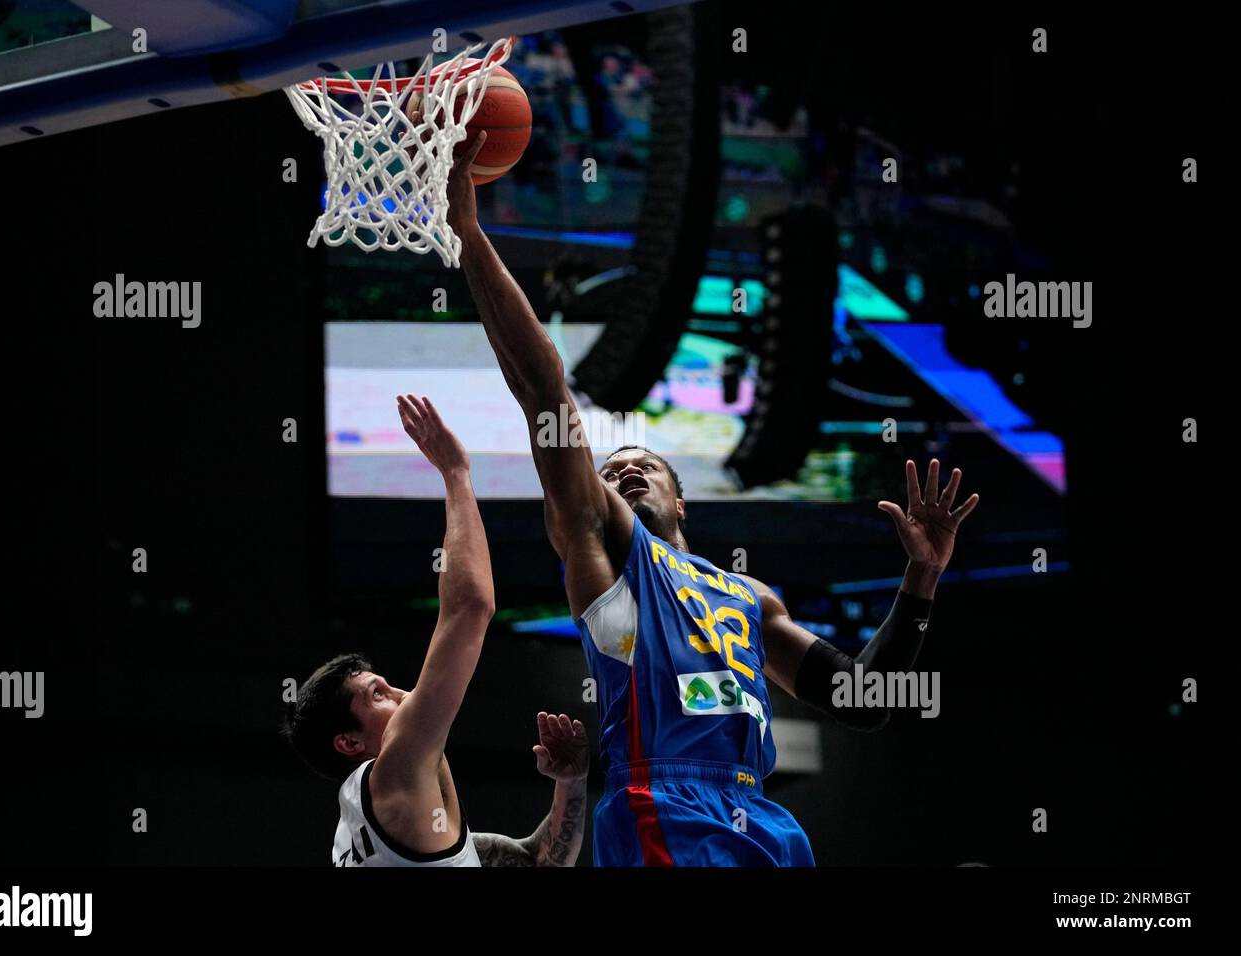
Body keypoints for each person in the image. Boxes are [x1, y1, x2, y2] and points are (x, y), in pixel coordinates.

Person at [446, 135, 980, 866]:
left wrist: (920, 581)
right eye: (612, 470)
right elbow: (544, 390)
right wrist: (471, 236)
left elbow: (867, 703)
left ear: (683, 499)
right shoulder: (613, 566)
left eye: (645, 464)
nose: (626, 473)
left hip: (764, 818)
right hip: (661, 802)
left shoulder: (753, 600)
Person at [283, 394, 588, 866]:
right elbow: (470, 607)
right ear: (350, 743)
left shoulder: (376, 826)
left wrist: (570, 784)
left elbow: (538, 863)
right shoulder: (394, 769)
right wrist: (456, 472)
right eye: (377, 695)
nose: (401, 693)